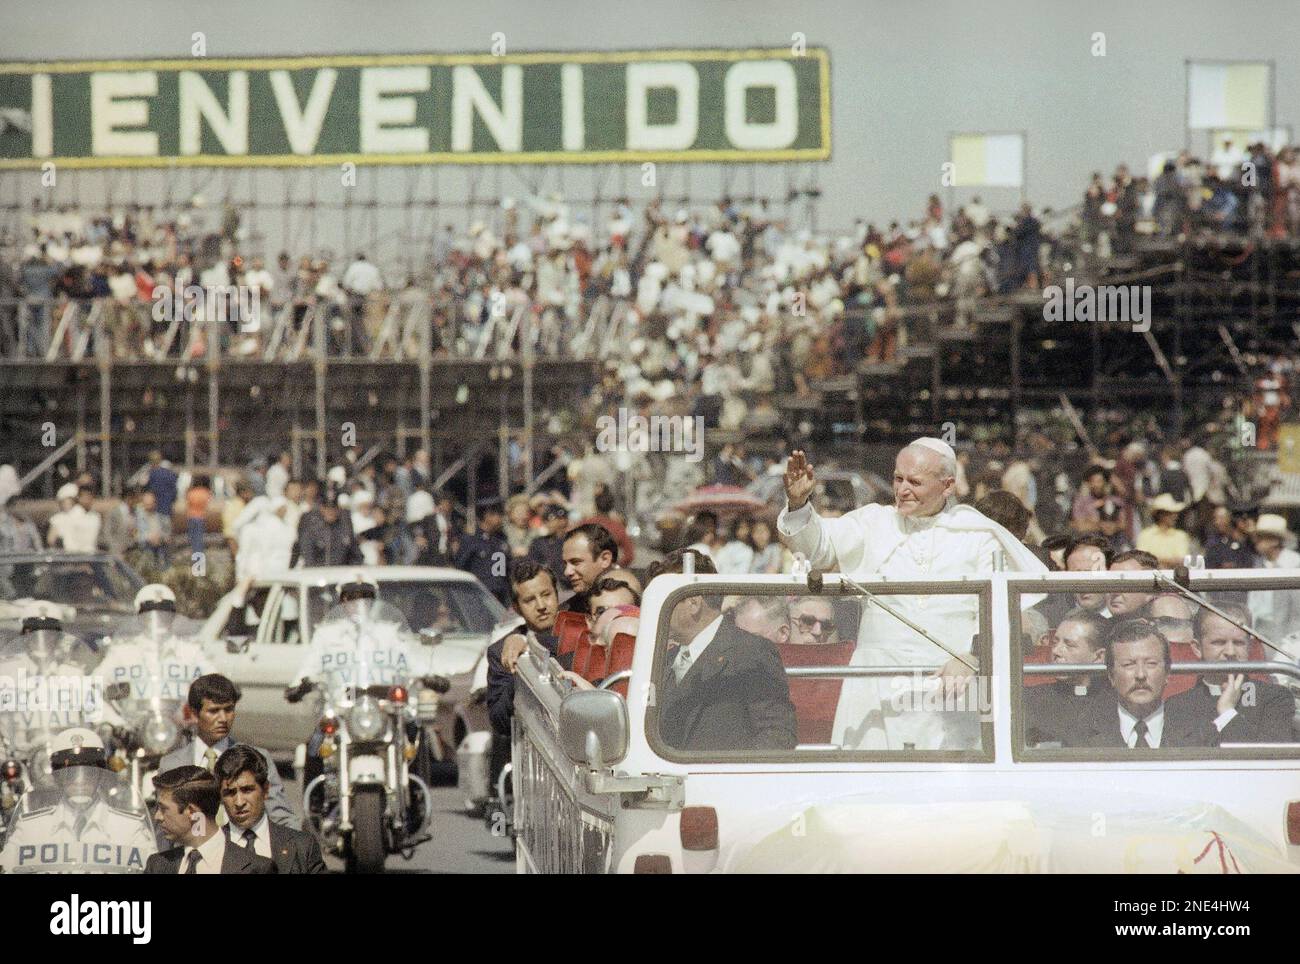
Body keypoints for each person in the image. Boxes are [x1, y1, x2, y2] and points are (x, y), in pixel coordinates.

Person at [777, 439, 1046, 750]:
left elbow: (1001, 608)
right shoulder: (874, 522)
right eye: (898, 478)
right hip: (877, 681)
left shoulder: (978, 534)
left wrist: (973, 655)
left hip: (951, 682)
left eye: (915, 482)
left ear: (947, 486)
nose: (903, 489)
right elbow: (819, 549)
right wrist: (798, 505)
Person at [655, 553, 798, 752]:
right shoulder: (664, 659)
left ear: (694, 602)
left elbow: (777, 735)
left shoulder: (751, 652)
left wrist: (732, 778)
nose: (657, 609)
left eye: (664, 599)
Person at [0, 727, 156, 874]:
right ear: (56, 777)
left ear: (101, 775)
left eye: (89, 772)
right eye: (69, 773)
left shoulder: (129, 828)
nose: (79, 780)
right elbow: (5, 868)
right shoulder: (31, 828)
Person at [1064, 619, 1240, 748]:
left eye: (1151, 664)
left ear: (1167, 673)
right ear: (1111, 675)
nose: (1141, 675)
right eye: (1129, 665)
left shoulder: (1201, 732)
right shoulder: (1081, 734)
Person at [159, 674, 294, 827]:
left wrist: (298, 846)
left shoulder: (257, 758)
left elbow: (281, 817)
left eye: (228, 709)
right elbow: (164, 826)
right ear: (195, 714)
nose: (223, 718)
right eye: (214, 711)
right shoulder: (171, 765)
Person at [1163, 605, 1296, 744]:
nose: (1231, 652)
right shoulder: (1177, 706)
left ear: (1249, 646)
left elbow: (1268, 760)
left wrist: (1227, 713)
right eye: (1219, 643)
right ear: (1197, 648)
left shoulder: (1275, 698)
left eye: (1239, 643)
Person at [214, 744, 325, 873]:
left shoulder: (302, 846)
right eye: (230, 793)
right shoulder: (208, 849)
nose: (239, 802)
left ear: (266, 790)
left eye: (247, 790)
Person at [146, 766, 276, 874]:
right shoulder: (157, 866)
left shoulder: (257, 868)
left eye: (163, 809)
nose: (157, 816)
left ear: (192, 811)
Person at [487, 559, 566, 736]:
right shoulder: (502, 651)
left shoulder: (577, 635)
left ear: (557, 594)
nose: (541, 606)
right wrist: (522, 668)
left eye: (546, 595)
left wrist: (531, 644)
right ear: (517, 608)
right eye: (529, 600)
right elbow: (500, 721)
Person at [1023, 609, 1112, 746]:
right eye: (1055, 642)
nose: (1056, 651)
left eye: (1069, 645)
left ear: (1099, 657)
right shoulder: (1031, 699)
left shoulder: (1115, 704)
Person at [455, 498, 511, 604]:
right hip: (478, 598)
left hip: (501, 599)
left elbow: (506, 571)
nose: (500, 518)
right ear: (486, 516)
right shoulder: (471, 541)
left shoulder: (501, 541)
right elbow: (461, 569)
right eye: (497, 514)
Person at [291, 488, 361, 567]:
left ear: (338, 509)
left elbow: (357, 556)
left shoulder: (345, 528)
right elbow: (308, 556)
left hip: (340, 574)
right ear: (322, 509)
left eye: (333, 508)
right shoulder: (312, 529)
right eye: (327, 508)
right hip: (317, 574)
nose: (330, 512)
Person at [559, 522, 618, 614]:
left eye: (576, 562)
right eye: (565, 564)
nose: (567, 572)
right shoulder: (568, 611)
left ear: (605, 559)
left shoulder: (636, 607)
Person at [1136, 493, 1191, 568]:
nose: (1174, 516)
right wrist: (1169, 561)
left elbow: (1182, 561)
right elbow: (1141, 560)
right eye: (1169, 513)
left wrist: (1156, 560)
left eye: (1174, 513)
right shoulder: (1146, 535)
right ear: (1160, 514)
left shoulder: (1180, 536)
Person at [48, 482, 100, 552]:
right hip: (72, 558)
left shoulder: (95, 517)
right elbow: (51, 540)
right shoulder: (62, 517)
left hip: (91, 557)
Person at [1107, 549, 1159, 618]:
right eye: (1110, 583)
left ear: (1150, 592)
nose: (1114, 592)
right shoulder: (1094, 626)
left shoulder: (1168, 627)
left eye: (1124, 584)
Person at [526, 503, 568, 575]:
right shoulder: (539, 543)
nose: (561, 522)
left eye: (561, 519)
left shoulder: (572, 540)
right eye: (548, 521)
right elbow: (534, 566)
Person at [184, 475, 212, 558]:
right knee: (199, 540)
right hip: (201, 517)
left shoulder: (191, 493)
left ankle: (194, 558)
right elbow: (207, 505)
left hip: (191, 517)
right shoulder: (205, 492)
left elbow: (187, 504)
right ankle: (199, 562)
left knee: (192, 539)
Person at [146, 451, 179, 519]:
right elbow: (175, 491)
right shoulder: (170, 473)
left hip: (156, 510)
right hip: (168, 509)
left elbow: (150, 492)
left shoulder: (152, 474)